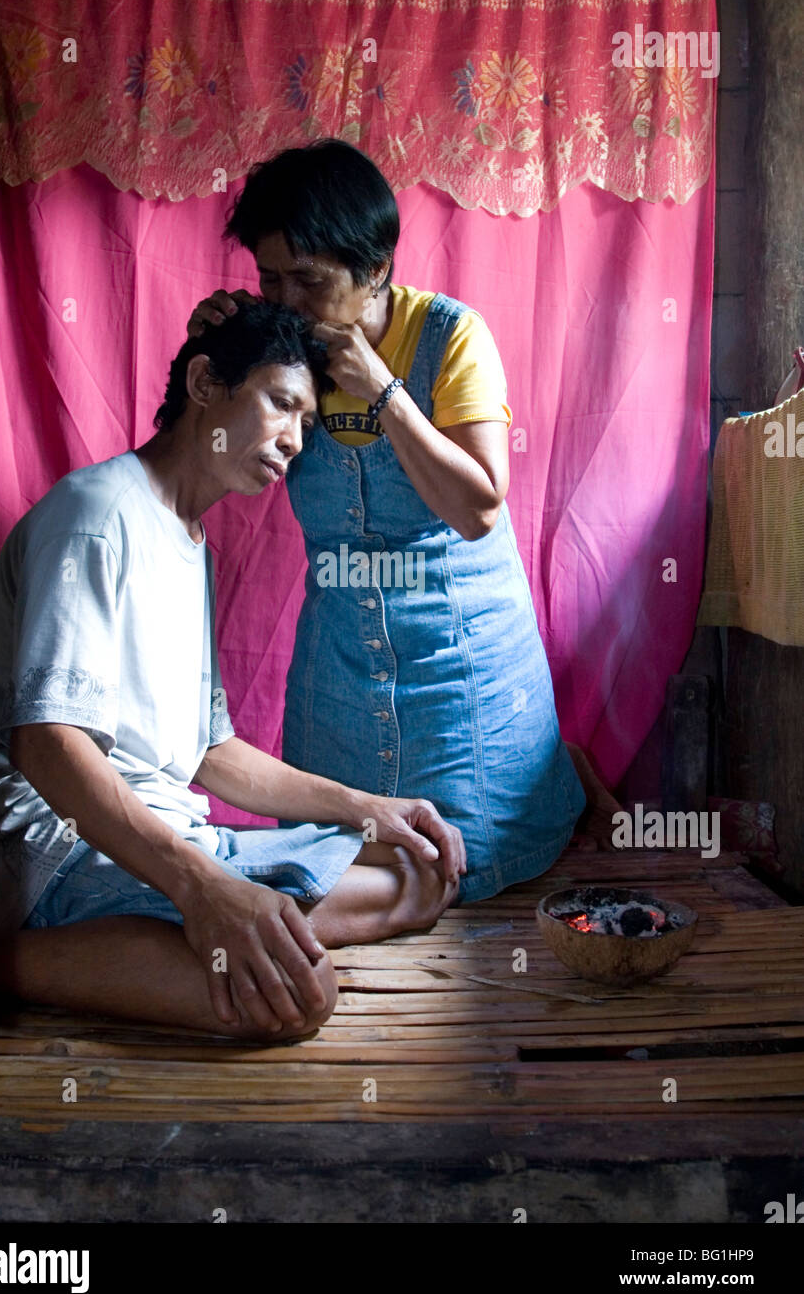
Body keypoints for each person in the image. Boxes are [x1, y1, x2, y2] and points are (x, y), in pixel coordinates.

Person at [0, 301, 466, 1042]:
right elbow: (46, 744)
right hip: (48, 848)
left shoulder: (192, 546)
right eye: (280, 403)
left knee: (419, 878)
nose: (294, 441)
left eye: (307, 424)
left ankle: (187, 925)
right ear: (203, 384)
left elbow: (209, 753)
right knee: (295, 996)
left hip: (173, 836)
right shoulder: (96, 516)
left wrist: (366, 806)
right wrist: (203, 887)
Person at [189, 139, 588, 904]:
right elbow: (212, 472)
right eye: (270, 278)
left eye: (309, 280)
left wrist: (384, 391)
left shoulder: (452, 337)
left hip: (459, 660)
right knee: (337, 872)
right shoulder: (279, 346)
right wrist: (212, 369)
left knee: (473, 873)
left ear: (375, 269)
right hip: (340, 661)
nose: (286, 301)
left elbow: (479, 508)